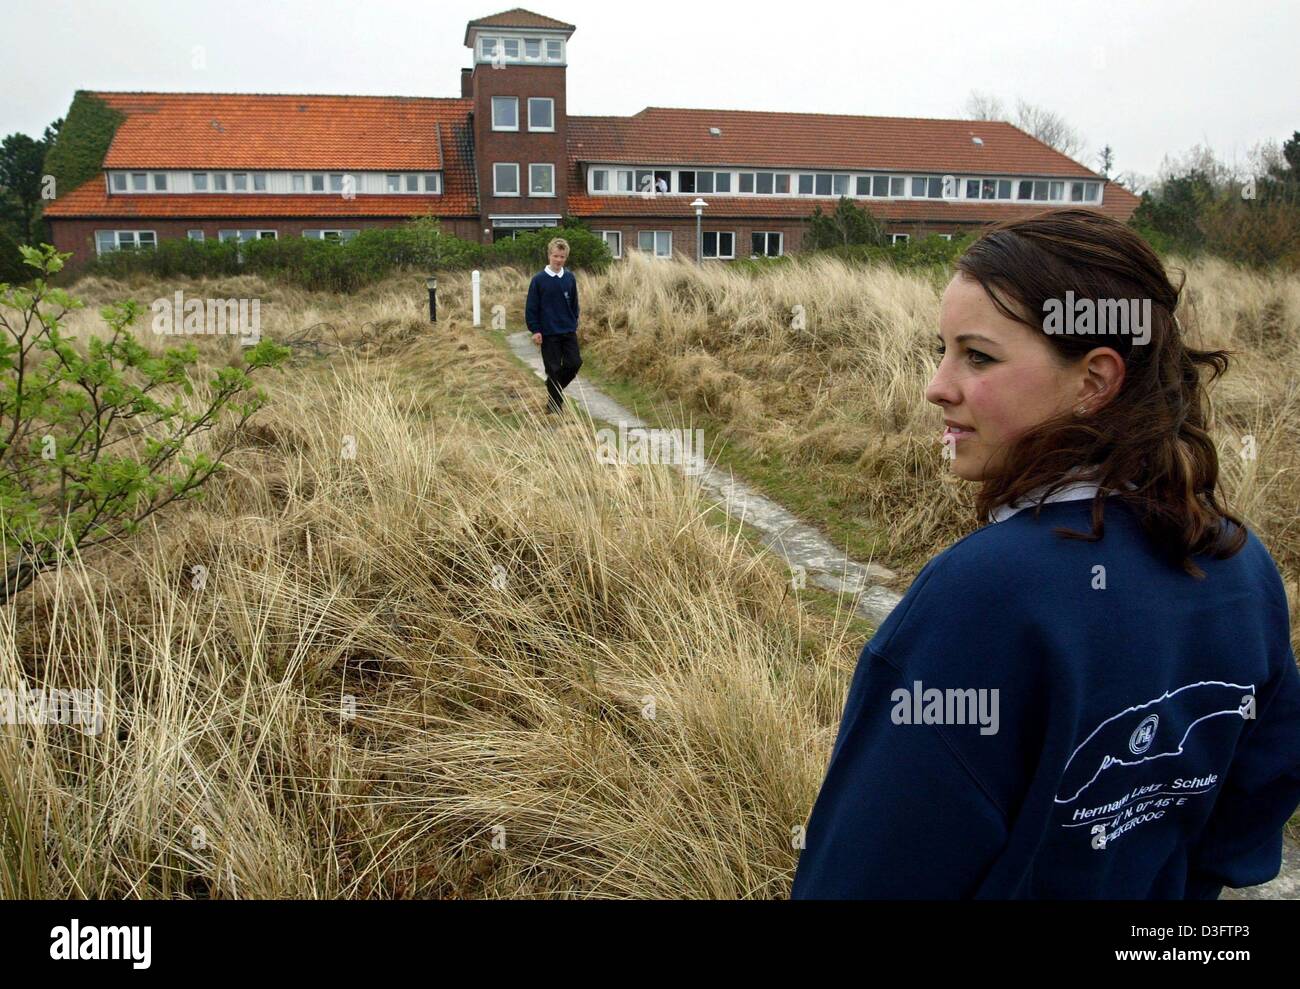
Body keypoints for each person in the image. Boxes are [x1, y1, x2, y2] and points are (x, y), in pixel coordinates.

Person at [790, 208, 1300, 899]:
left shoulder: (981, 596)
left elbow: (862, 874)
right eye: (942, 349)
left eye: (978, 355)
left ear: (1094, 380)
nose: (936, 385)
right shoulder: (1245, 568)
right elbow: (1242, 831)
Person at [525, 237, 582, 415]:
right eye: (556, 256)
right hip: (548, 333)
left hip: (568, 330)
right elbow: (531, 307)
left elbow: (574, 304)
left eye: (562, 257)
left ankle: (552, 386)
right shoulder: (538, 280)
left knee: (574, 363)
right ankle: (555, 408)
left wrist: (574, 322)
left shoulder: (569, 278)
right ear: (549, 255)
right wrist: (535, 330)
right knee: (554, 369)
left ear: (566, 258)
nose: (559, 260)